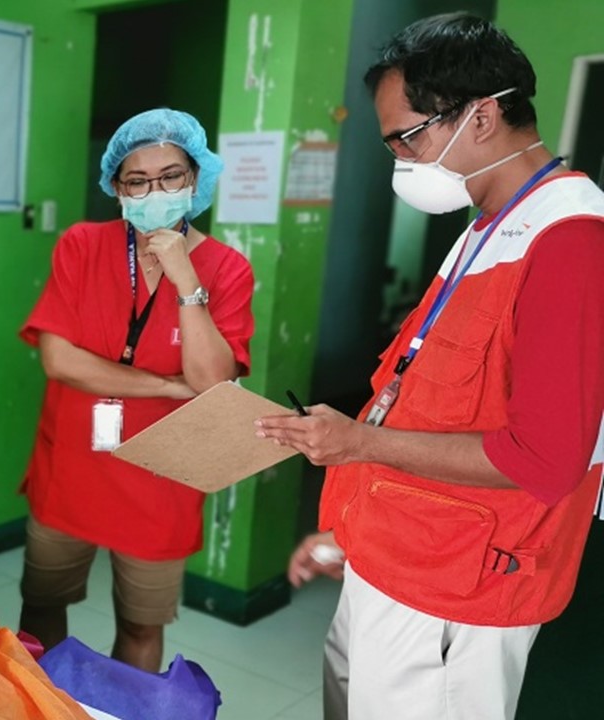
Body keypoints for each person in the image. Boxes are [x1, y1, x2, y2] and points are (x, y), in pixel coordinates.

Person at [256, 13, 604, 720]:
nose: (402, 162)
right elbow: (420, 398)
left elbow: (545, 459)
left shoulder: (570, 243)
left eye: (408, 138)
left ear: (482, 115)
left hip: (463, 590)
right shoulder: (486, 230)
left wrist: (358, 444)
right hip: (401, 557)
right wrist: (352, 527)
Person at [17, 108, 255, 671]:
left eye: (171, 175)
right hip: (71, 467)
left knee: (141, 628)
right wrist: (165, 386)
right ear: (116, 187)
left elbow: (213, 382)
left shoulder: (226, 270)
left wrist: (185, 279)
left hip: (161, 481)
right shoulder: (82, 245)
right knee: (42, 607)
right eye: (137, 180)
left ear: (195, 179)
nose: (155, 191)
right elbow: (59, 360)